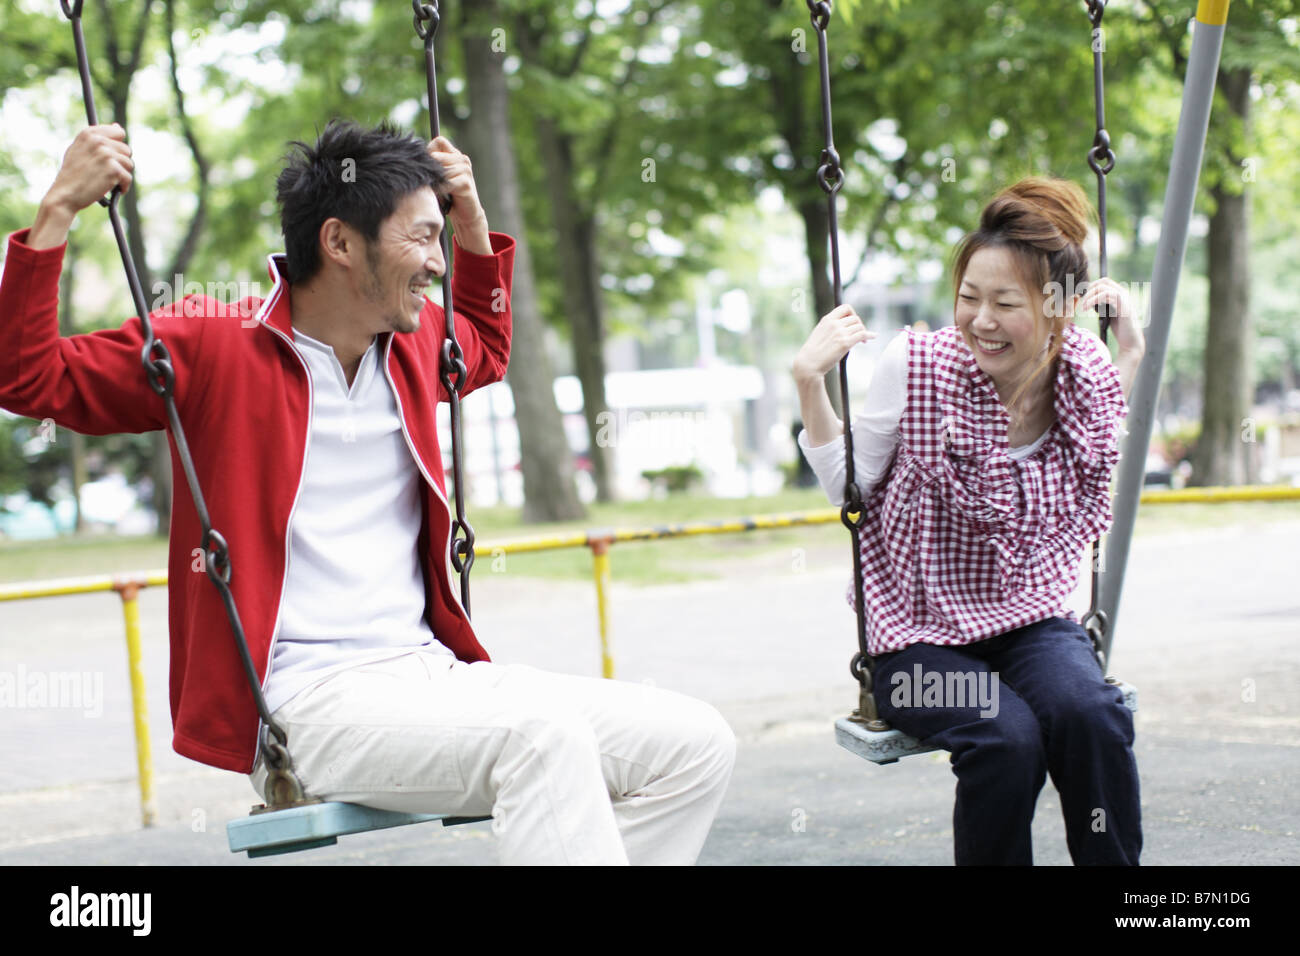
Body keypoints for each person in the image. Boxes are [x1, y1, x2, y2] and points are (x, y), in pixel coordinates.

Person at [0, 119, 734, 865]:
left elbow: (489, 344)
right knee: (540, 739)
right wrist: (58, 209)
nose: (438, 265)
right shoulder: (209, 344)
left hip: (430, 674)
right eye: (421, 238)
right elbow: (27, 377)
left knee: (695, 744)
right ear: (341, 243)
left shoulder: (416, 346)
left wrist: (473, 221)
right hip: (304, 700)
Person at [792, 177, 1145, 865]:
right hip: (915, 643)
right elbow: (851, 488)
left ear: (1058, 310)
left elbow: (1098, 439)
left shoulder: (1084, 368)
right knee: (1005, 739)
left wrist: (1130, 354)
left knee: (1092, 715)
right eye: (969, 297)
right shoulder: (918, 368)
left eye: (1005, 302)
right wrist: (810, 381)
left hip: (1030, 625)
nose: (980, 319)